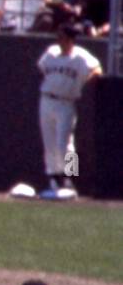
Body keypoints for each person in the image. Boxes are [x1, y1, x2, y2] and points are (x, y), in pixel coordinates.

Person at [34, 24, 102, 200]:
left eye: (63, 37)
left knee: (65, 142)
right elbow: (41, 68)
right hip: (47, 99)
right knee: (49, 142)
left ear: (71, 40)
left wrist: (83, 81)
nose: (59, 41)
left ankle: (70, 178)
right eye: (58, 37)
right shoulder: (51, 52)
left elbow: (97, 70)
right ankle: (53, 178)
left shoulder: (80, 56)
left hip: (66, 102)